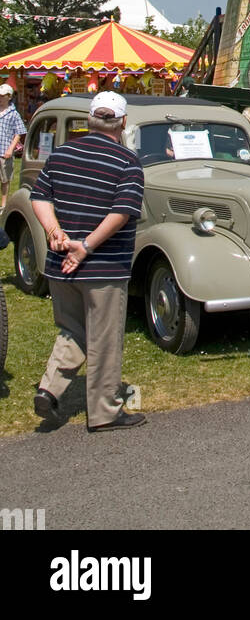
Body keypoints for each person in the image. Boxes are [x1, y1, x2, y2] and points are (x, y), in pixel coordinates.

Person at [29, 92, 146, 432]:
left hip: (59, 261)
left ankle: (49, 390)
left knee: (72, 330)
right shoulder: (127, 161)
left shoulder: (62, 153)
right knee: (104, 338)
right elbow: (122, 212)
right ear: (122, 122)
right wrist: (86, 247)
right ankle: (104, 411)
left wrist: (55, 232)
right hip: (103, 266)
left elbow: (40, 197)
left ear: (90, 120)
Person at [0, 82, 26, 214]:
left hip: (4, 150)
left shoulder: (13, 113)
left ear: (9, 97)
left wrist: (10, 149)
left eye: (2, 96)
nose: (0, 97)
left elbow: (19, 132)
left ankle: (3, 205)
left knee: (5, 179)